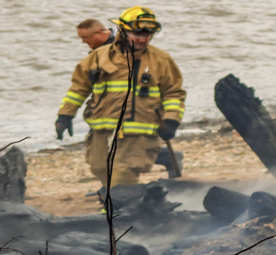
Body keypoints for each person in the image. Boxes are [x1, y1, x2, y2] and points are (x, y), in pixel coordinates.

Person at [55, 6, 186, 192]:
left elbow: (174, 93)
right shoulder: (98, 57)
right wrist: (64, 116)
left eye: (147, 34)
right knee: (100, 167)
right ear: (123, 31)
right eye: (137, 33)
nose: (142, 38)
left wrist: (171, 120)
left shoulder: (161, 60)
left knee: (123, 172)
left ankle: (122, 213)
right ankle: (124, 204)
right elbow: (78, 89)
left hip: (140, 130)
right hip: (102, 128)